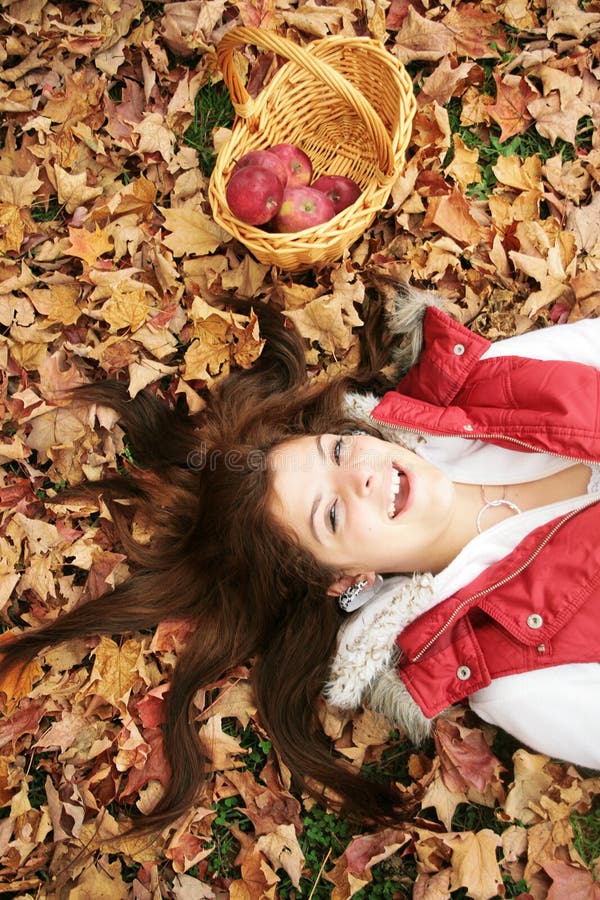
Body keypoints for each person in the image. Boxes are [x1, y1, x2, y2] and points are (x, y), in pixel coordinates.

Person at [1, 280, 599, 833]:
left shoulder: (496, 375)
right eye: (331, 515)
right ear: (347, 580)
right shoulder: (518, 678)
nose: (361, 475)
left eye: (339, 450)